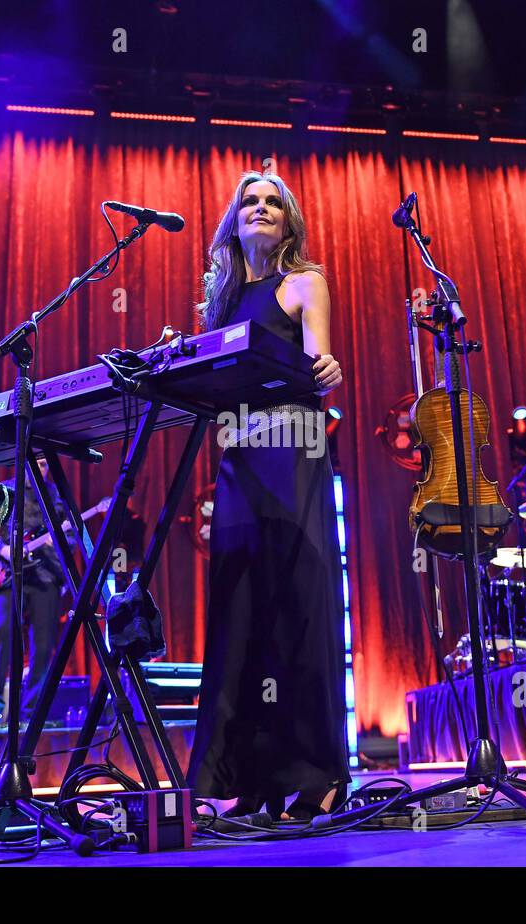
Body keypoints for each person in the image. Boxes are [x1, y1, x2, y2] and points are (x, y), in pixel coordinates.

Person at [186, 171, 349, 821]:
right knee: (239, 613)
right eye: (249, 202)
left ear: (289, 221)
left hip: (294, 451)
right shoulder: (222, 304)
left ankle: (314, 775)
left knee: (296, 604)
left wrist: (327, 370)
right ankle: (245, 780)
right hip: (238, 461)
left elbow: (319, 365)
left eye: (271, 202)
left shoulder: (304, 282)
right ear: (235, 221)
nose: (259, 209)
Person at [0, 464, 69, 726]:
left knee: (44, 643)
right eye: (36, 464)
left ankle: (32, 710)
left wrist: (58, 543)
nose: (42, 469)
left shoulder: (55, 495)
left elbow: (68, 535)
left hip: (45, 573)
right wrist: (1, 549)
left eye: (45, 464)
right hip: (8, 575)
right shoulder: (5, 490)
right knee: (2, 632)